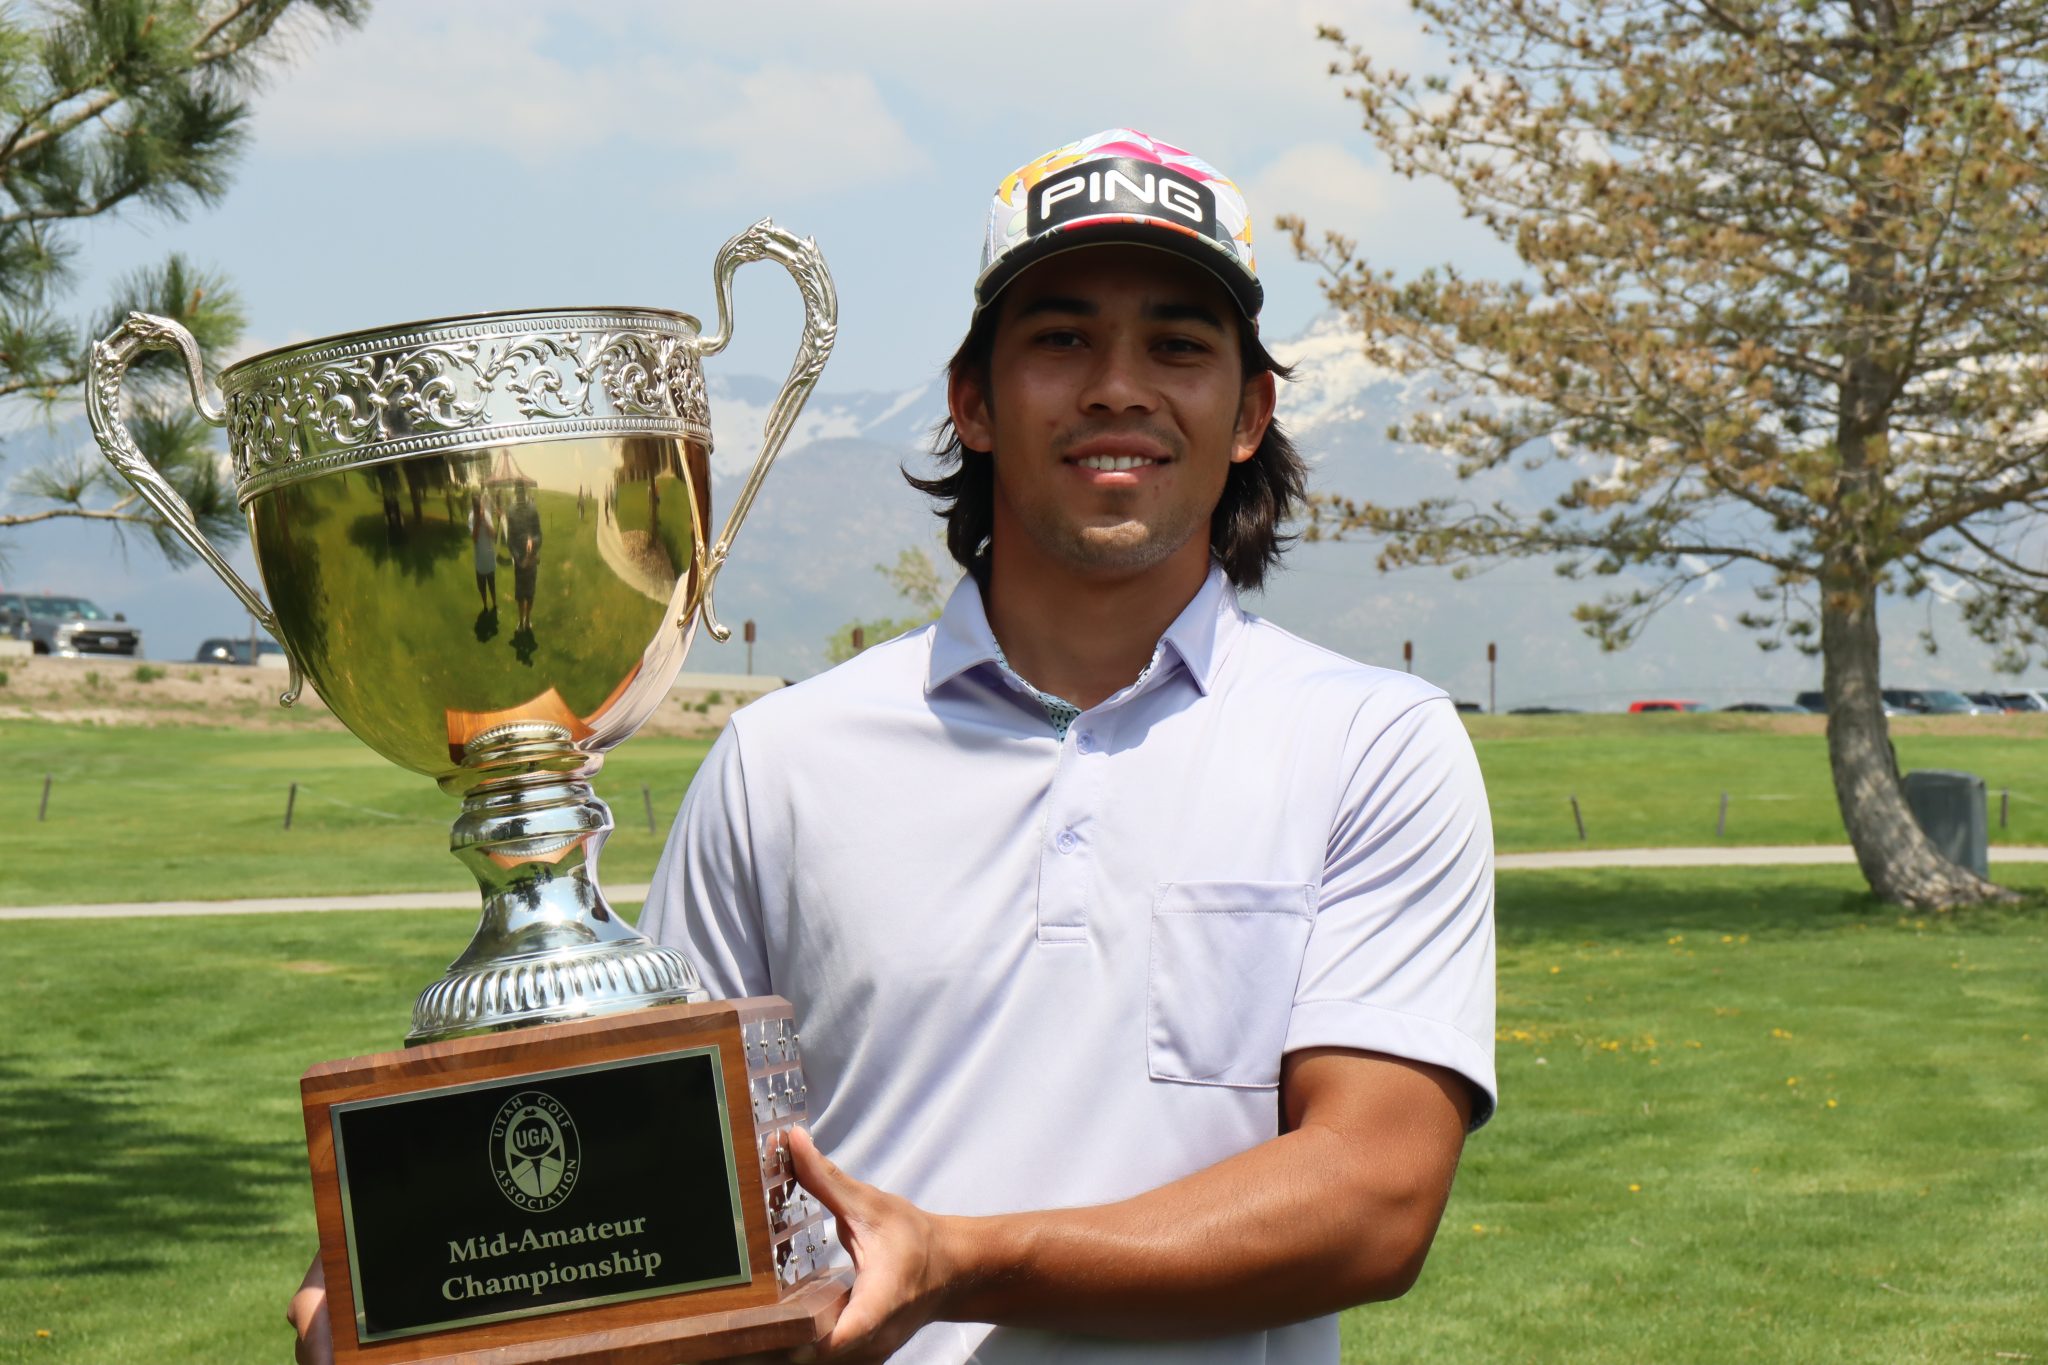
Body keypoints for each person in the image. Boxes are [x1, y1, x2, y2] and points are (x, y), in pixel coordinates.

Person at [285, 128, 1495, 1365]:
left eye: (1177, 345)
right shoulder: (783, 761)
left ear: (1247, 412)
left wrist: (961, 1258)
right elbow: (660, 1179)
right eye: (1061, 338)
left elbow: (1372, 1198)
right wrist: (422, 1261)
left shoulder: (1370, 743)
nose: (1116, 386)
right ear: (971, 400)